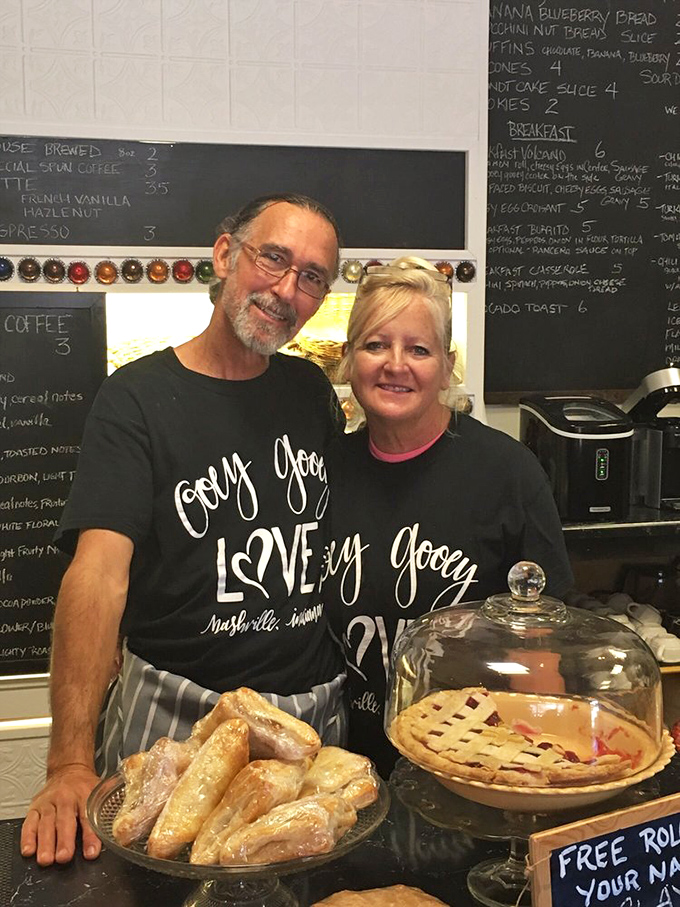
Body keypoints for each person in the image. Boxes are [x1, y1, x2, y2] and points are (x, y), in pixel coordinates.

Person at [21, 193, 347, 866]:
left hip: (309, 723)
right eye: (275, 259)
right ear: (226, 253)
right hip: (176, 724)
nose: (287, 289)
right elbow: (98, 575)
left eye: (312, 276)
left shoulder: (311, 393)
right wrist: (67, 763)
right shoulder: (136, 399)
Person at [320, 257, 574, 777]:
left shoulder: (508, 473)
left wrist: (533, 771)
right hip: (341, 760)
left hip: (472, 763)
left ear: (446, 364)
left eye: (418, 349)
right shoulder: (324, 470)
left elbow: (543, 645)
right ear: (348, 360)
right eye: (375, 344)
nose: (395, 364)